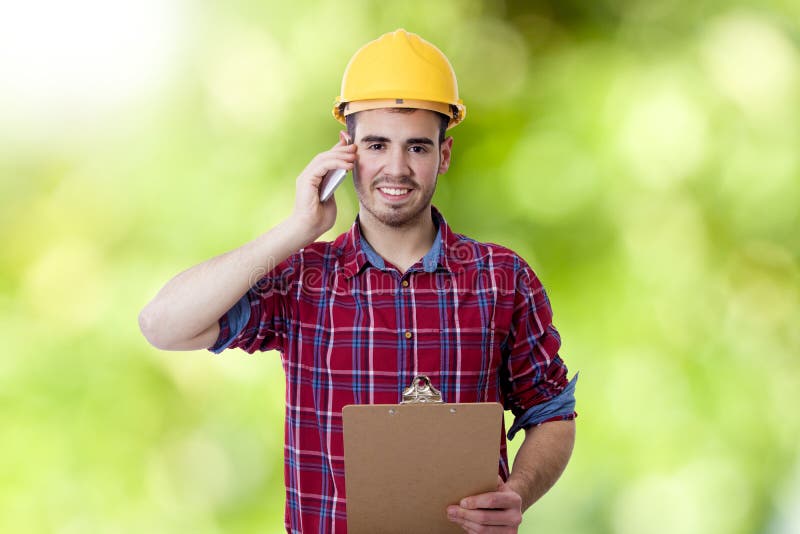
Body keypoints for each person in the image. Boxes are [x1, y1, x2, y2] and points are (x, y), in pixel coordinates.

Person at [139, 28, 577, 533]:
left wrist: (517, 493)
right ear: (347, 151)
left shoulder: (502, 279)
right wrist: (297, 229)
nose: (396, 167)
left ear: (445, 155)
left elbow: (552, 411)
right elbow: (162, 325)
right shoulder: (302, 280)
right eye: (376, 144)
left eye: (417, 147)